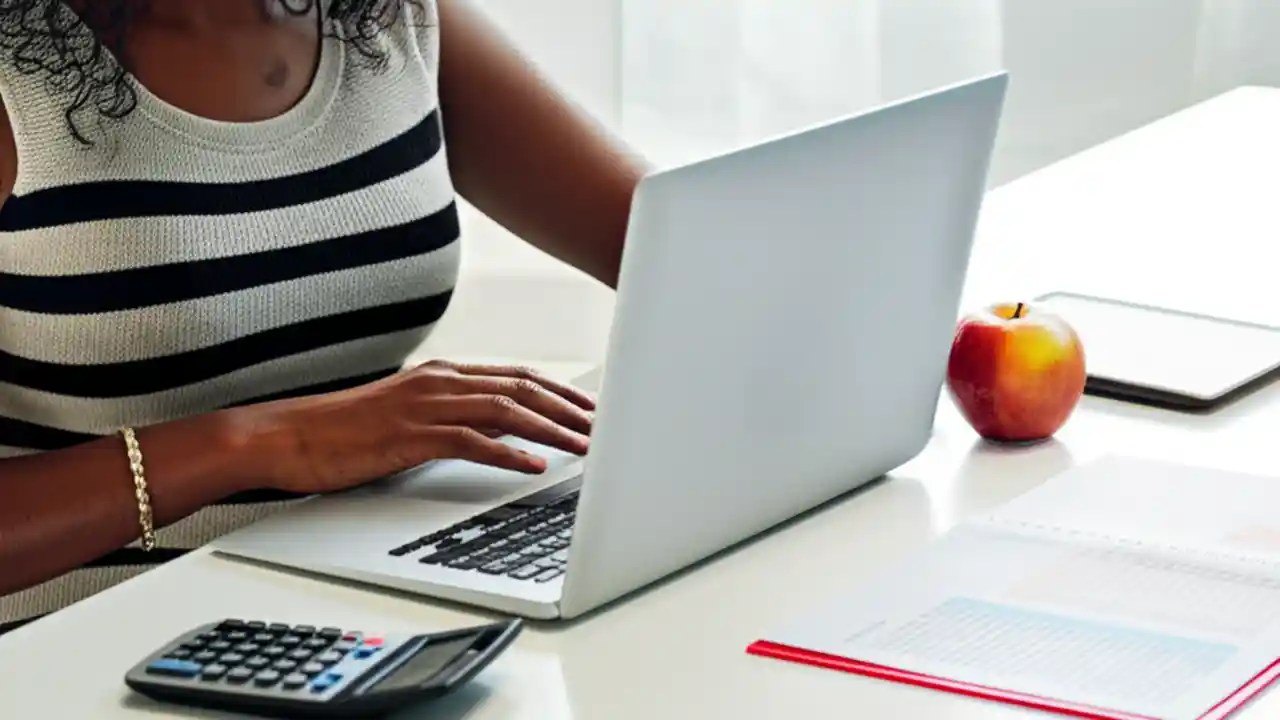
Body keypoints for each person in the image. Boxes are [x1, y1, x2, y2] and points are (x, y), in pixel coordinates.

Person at [0, 0, 644, 632]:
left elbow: (686, 247)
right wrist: (258, 444)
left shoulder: (388, 16)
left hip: (368, 619)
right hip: (100, 650)